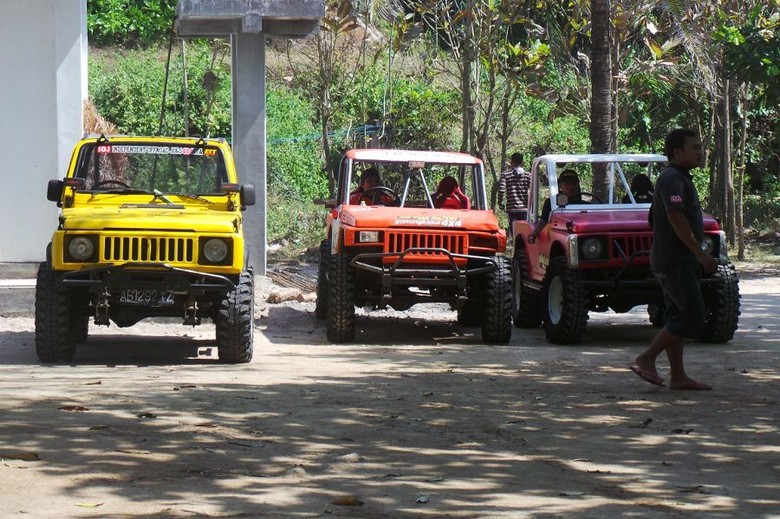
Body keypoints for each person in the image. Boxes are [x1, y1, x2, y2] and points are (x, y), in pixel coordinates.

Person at [630, 128, 717, 391]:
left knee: (677, 315)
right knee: (693, 314)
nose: (700, 151)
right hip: (675, 261)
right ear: (677, 153)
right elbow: (675, 218)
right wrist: (699, 252)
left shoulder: (678, 178)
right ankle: (646, 358)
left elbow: (654, 218)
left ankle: (678, 376)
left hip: (674, 259)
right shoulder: (672, 179)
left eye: (701, 146)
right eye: (694, 147)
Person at [528, 169, 582, 243]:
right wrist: (534, 233)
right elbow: (543, 220)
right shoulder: (551, 203)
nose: (571, 187)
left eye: (574, 183)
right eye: (567, 183)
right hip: (557, 240)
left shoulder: (584, 204)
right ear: (560, 185)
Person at [497, 152, 531, 235]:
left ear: (511, 161)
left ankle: (516, 246)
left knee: (515, 232)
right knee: (524, 232)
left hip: (512, 209)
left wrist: (500, 202)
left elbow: (501, 189)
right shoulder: (528, 175)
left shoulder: (506, 174)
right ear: (522, 162)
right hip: (525, 209)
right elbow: (533, 190)